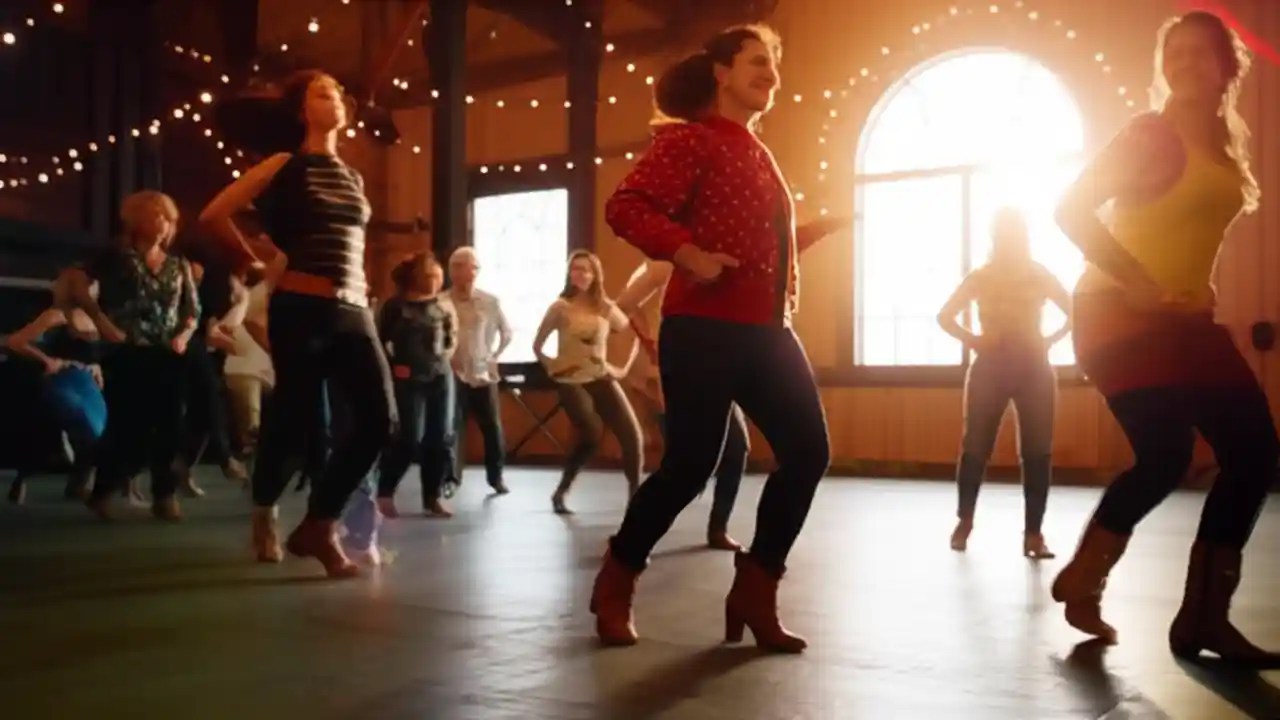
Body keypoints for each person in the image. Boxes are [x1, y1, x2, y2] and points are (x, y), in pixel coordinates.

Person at [589, 24, 847, 652]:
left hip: (768, 331)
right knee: (689, 466)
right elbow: (627, 205)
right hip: (703, 328)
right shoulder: (693, 139)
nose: (771, 74)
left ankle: (755, 589)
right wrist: (688, 254)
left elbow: (753, 246)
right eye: (757, 61)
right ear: (720, 72)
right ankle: (618, 575)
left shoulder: (757, 151)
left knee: (808, 453)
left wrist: (811, 231)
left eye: (775, 64)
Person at [1050, 11, 1277, 664]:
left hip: (1184, 319)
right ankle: (1085, 577)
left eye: (1198, 52)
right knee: (1166, 452)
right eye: (1172, 52)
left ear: (1226, 67)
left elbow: (1189, 232)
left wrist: (1196, 290)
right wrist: (1136, 280)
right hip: (1116, 310)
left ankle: (1204, 619)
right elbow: (1070, 209)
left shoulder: (1224, 145)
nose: (1183, 62)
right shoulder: (1149, 134)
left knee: (1256, 453)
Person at [200, 69, 395, 578]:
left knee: (380, 421)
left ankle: (318, 522)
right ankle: (266, 510)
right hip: (302, 308)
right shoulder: (284, 165)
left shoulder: (353, 176)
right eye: (323, 93)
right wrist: (251, 263)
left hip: (354, 309)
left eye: (339, 93)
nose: (337, 99)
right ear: (302, 110)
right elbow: (214, 214)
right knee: (294, 423)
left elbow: (351, 245)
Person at [935, 207, 1071, 559]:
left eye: (1014, 234)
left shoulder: (1037, 273)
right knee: (976, 446)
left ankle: (1033, 534)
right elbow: (944, 316)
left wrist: (1049, 340)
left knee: (1037, 451)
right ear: (996, 238)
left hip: (1033, 365)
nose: (1009, 241)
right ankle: (965, 522)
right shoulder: (982, 276)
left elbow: (1075, 311)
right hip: (991, 366)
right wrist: (975, 341)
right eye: (1004, 235)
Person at [68, 190, 200, 521]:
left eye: (168, 218)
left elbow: (192, 311)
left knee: (171, 425)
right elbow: (75, 283)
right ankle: (103, 491)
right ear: (138, 220)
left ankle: (165, 494)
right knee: (127, 426)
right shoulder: (117, 257)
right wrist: (102, 322)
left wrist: (183, 336)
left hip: (167, 353)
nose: (163, 223)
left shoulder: (178, 265)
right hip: (127, 351)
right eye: (157, 215)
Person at [615, 259, 749, 551]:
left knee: (736, 448)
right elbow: (624, 305)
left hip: (717, 366)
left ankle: (718, 528)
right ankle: (632, 535)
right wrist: (649, 341)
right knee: (682, 463)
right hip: (675, 368)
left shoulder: (728, 259)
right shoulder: (663, 264)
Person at [533, 250, 641, 514]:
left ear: (595, 275)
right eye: (575, 269)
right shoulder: (560, 308)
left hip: (600, 376)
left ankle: (637, 500)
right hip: (570, 379)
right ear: (569, 274)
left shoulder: (605, 307)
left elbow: (631, 334)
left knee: (632, 435)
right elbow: (538, 345)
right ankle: (562, 491)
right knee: (591, 431)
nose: (579, 274)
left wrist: (621, 368)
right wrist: (552, 367)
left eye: (585, 270)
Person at [5, 271, 106, 504]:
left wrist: (96, 367)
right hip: (62, 381)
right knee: (79, 421)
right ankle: (29, 474)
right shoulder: (57, 315)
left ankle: (79, 482)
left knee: (98, 430)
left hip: (86, 383)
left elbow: (91, 353)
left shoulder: (94, 319)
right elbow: (15, 341)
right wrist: (49, 360)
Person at [375, 252, 459, 518]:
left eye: (438, 276)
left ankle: (432, 496)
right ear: (416, 278)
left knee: (440, 438)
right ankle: (385, 491)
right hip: (407, 379)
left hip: (440, 376)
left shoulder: (443, 305)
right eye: (430, 276)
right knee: (409, 438)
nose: (435, 281)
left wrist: (443, 360)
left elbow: (451, 338)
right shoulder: (394, 306)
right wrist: (393, 366)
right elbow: (377, 342)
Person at [444, 247, 511, 496]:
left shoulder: (490, 301)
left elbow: (507, 332)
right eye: (460, 266)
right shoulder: (442, 302)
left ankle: (496, 477)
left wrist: (494, 356)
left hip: (483, 374)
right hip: (453, 373)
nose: (468, 272)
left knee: (492, 428)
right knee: (454, 427)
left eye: (473, 267)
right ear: (452, 271)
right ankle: (452, 478)